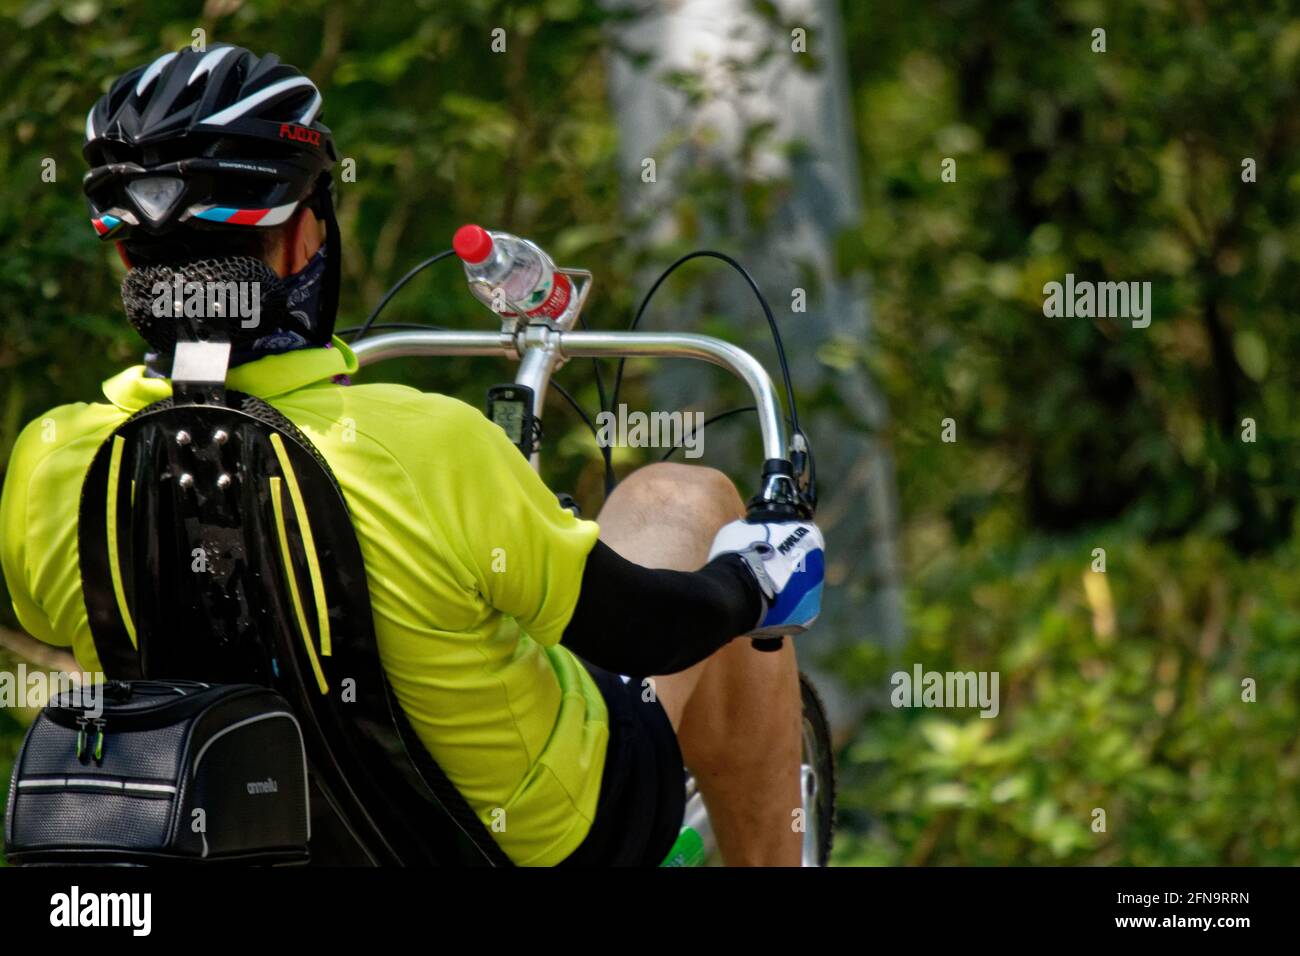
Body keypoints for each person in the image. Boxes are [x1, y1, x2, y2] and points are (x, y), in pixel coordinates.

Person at [0, 44, 825, 867]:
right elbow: (646, 633)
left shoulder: (50, 459)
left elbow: (76, 625)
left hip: (260, 842)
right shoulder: (426, 445)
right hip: (534, 843)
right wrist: (752, 581)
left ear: (123, 255)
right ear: (300, 244)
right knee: (683, 501)